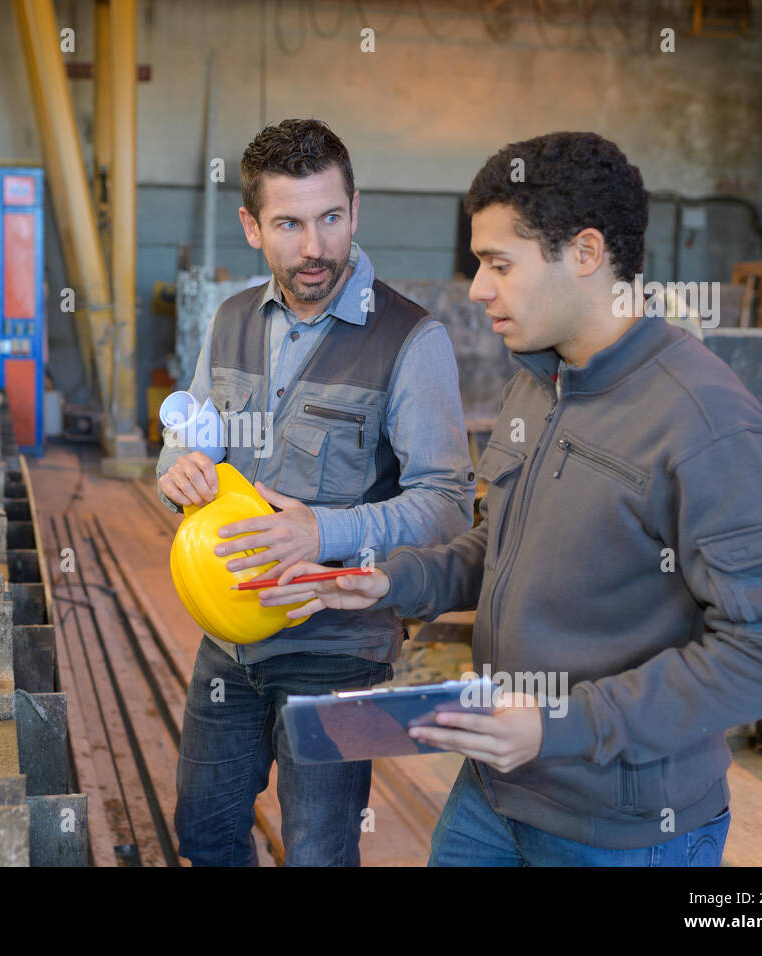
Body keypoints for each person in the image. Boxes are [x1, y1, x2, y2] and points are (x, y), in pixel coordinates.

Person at [259, 131, 762, 867]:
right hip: (494, 793)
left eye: (500, 264)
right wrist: (393, 580)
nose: (477, 288)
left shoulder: (708, 422)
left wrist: (559, 722)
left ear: (586, 255)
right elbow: (499, 543)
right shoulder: (540, 379)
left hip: (621, 832)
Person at [156, 118, 476, 866]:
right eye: (289, 223)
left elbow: (449, 506)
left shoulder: (411, 341)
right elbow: (193, 434)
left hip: (339, 651)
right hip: (229, 638)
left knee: (319, 854)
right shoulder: (230, 318)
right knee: (205, 834)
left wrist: (320, 534)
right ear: (251, 225)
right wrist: (178, 466)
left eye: (331, 218)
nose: (314, 247)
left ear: (355, 210)